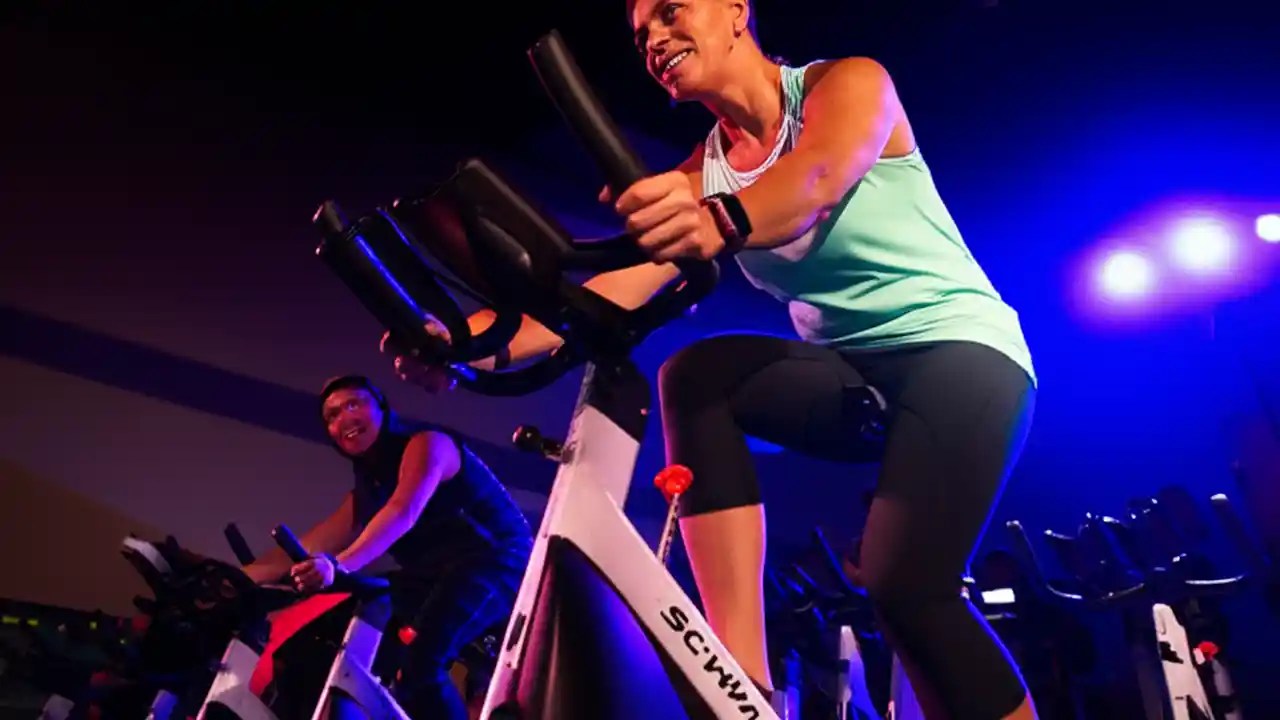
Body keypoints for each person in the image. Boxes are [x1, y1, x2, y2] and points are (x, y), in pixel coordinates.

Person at [388, 1, 1038, 717]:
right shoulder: (705, 171)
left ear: (735, 12)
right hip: (854, 375)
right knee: (697, 379)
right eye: (640, 35)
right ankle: (740, 684)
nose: (654, 39)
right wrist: (468, 344)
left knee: (907, 589)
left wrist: (718, 219)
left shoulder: (847, 84)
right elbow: (614, 291)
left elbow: (817, 179)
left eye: (671, 13)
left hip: (962, 352)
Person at [241, 375, 533, 720]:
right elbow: (310, 545)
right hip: (432, 577)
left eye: (354, 404)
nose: (343, 419)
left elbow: (401, 511)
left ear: (381, 407)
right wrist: (235, 580)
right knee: (311, 650)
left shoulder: (428, 444)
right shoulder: (366, 489)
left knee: (419, 669)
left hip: (496, 563)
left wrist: (338, 566)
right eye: (331, 416)